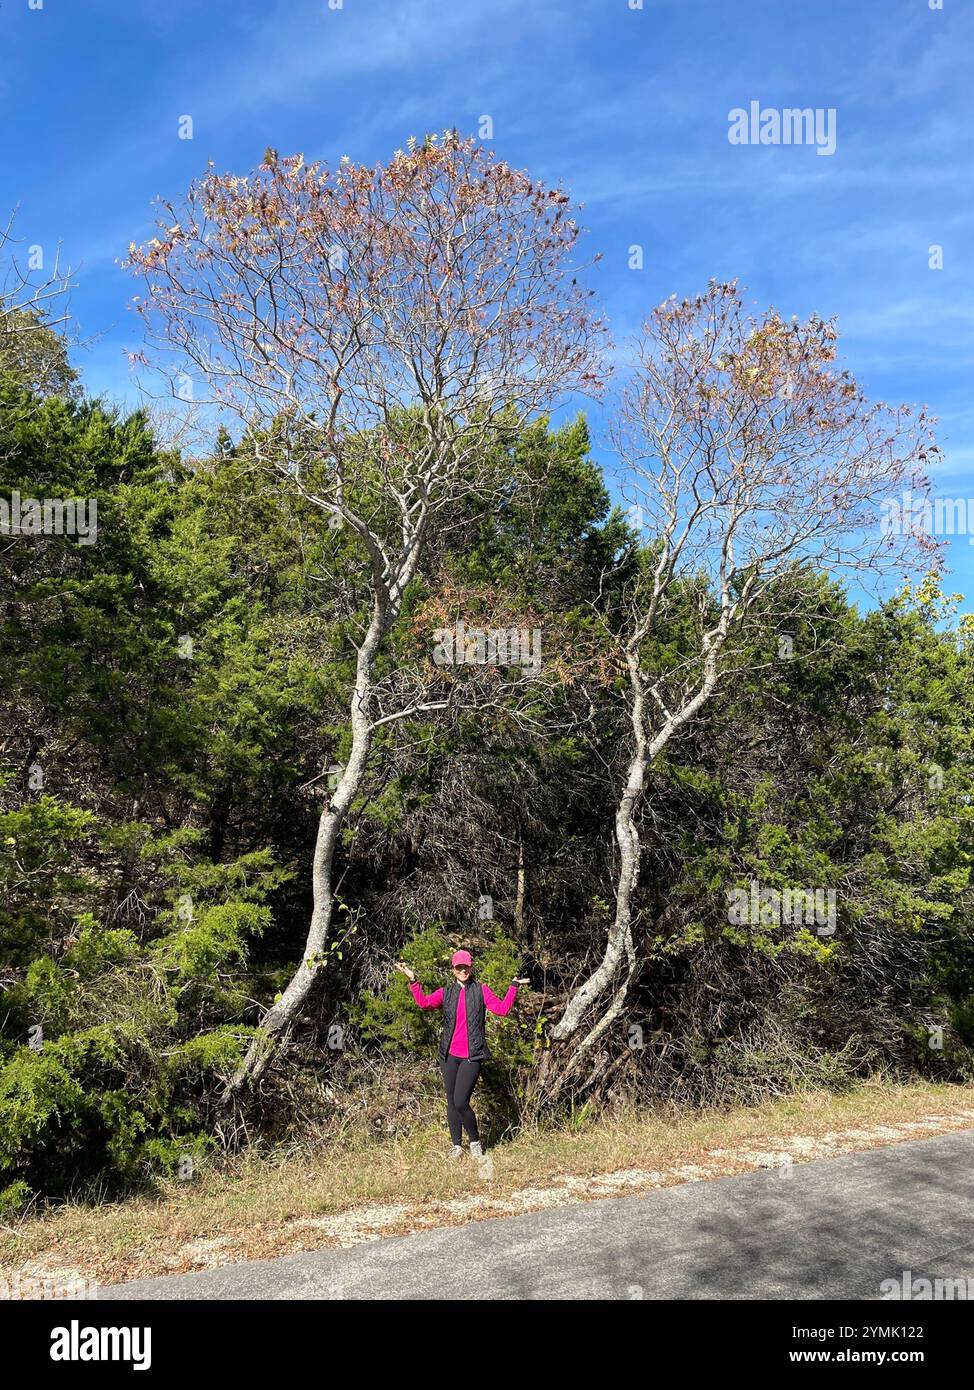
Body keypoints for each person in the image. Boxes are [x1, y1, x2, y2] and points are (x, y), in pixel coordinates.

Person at [394, 950, 528, 1159]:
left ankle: (475, 1142)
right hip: (449, 1055)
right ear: (453, 970)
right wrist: (413, 980)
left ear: (471, 967)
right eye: (459, 967)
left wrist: (513, 986)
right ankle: (456, 1146)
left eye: (466, 966)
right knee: (451, 1100)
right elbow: (424, 1003)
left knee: (460, 1101)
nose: (463, 970)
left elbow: (502, 1009)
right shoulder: (446, 992)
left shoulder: (481, 990)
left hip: (472, 1055)